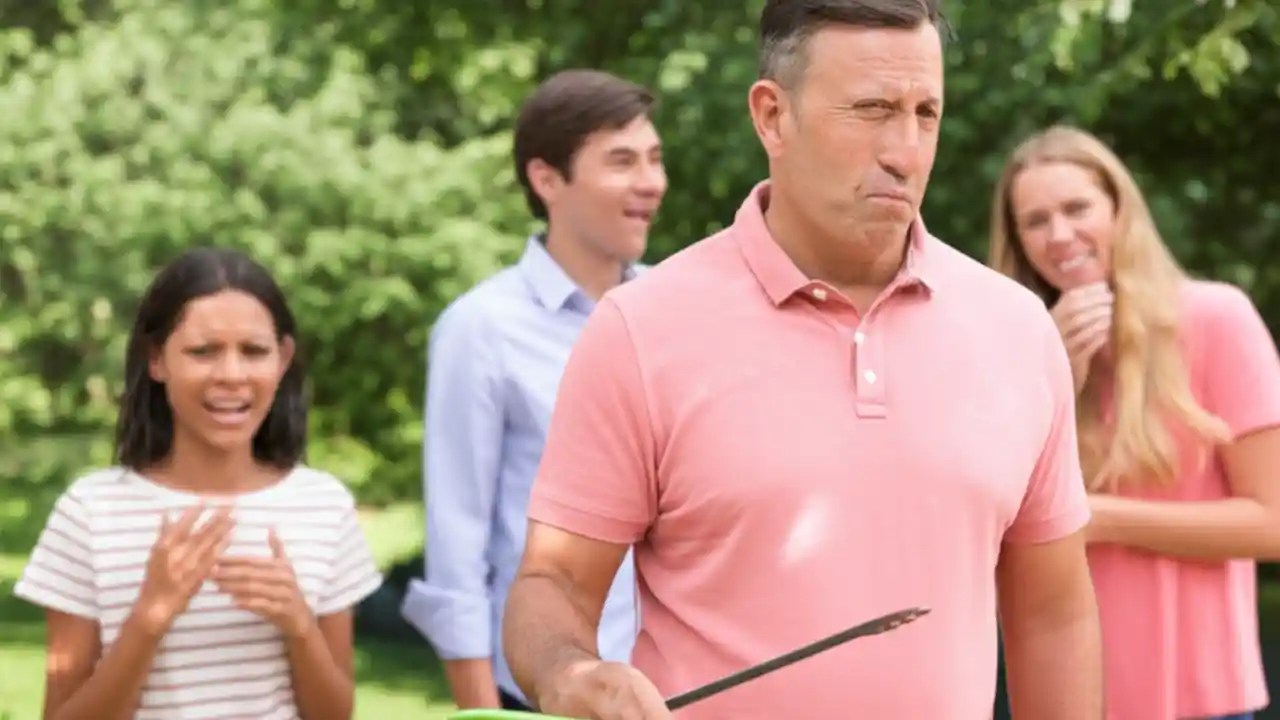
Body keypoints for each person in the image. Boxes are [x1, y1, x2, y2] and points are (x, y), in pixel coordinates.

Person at [501, 1, 1104, 718]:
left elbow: (1053, 616)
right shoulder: (640, 328)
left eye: (925, 113)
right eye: (872, 109)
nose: (905, 151)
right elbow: (555, 583)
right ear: (771, 116)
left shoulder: (1017, 331)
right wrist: (569, 672)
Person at [13, 247, 383, 719]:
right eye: (203, 351)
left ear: (283, 358)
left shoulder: (323, 506)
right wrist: (149, 616)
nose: (231, 375)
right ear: (157, 360)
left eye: (253, 351)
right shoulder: (90, 513)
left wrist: (299, 626)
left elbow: (335, 715)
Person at [988, 124, 1280, 720]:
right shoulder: (1013, 349)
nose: (1060, 234)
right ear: (1017, 241)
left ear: (1120, 212)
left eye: (1077, 208)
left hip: (1202, 701)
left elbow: (1273, 521)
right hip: (1064, 700)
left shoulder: (1216, 319)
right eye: (1036, 220)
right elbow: (994, 525)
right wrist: (1057, 381)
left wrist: (1104, 518)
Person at [398, 68, 668, 711]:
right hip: (543, 696)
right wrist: (480, 710)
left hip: (676, 689)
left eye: (655, 160)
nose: (651, 183)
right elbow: (457, 546)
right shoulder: (481, 328)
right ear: (547, 179)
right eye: (622, 161)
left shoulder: (676, 310)